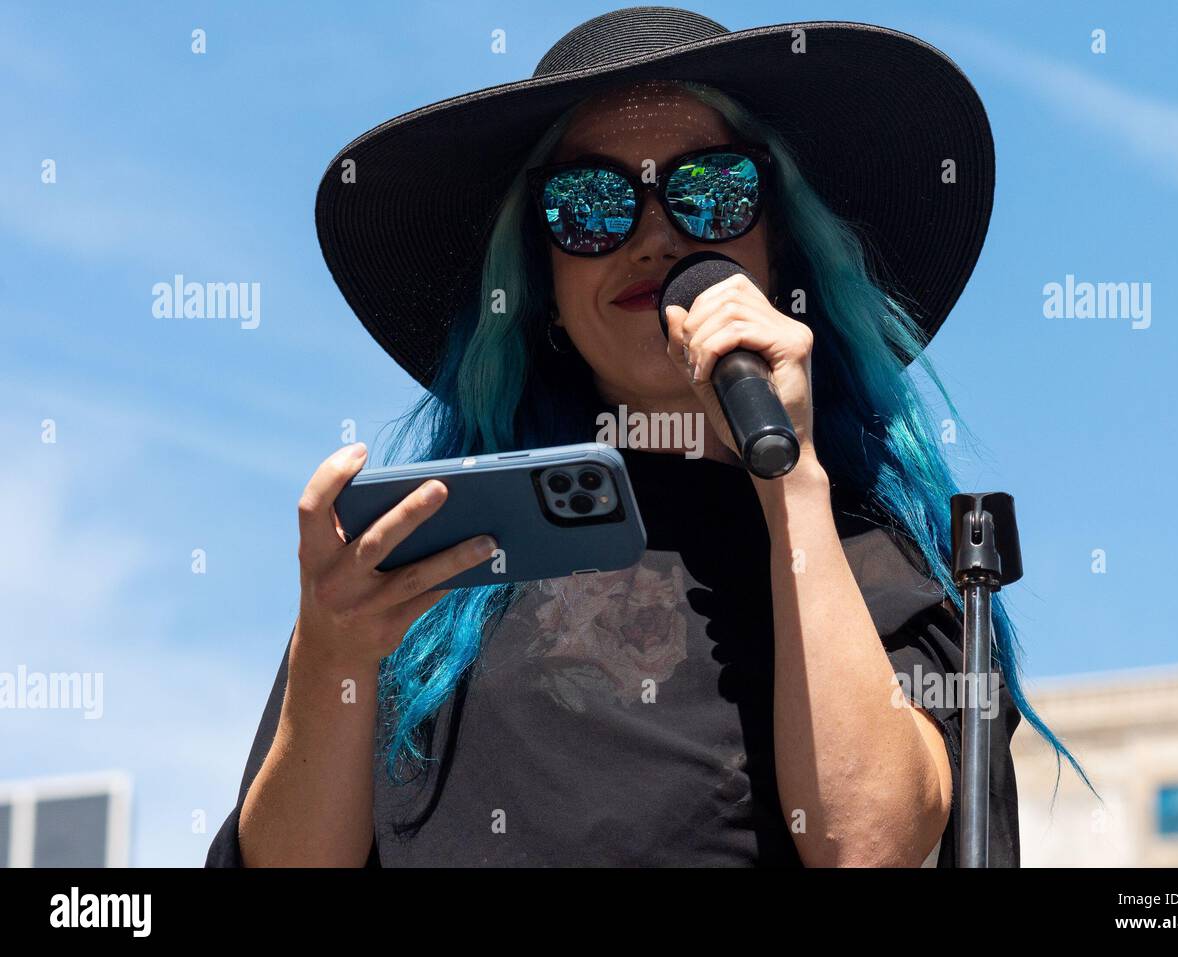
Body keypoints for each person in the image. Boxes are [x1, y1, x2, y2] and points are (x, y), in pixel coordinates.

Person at [208, 6, 1091, 869]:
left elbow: (867, 843)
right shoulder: (431, 557)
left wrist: (790, 480)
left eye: (710, 192)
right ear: (542, 281)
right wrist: (331, 654)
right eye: (591, 204)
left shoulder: (879, 570)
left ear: (777, 251)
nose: (656, 235)